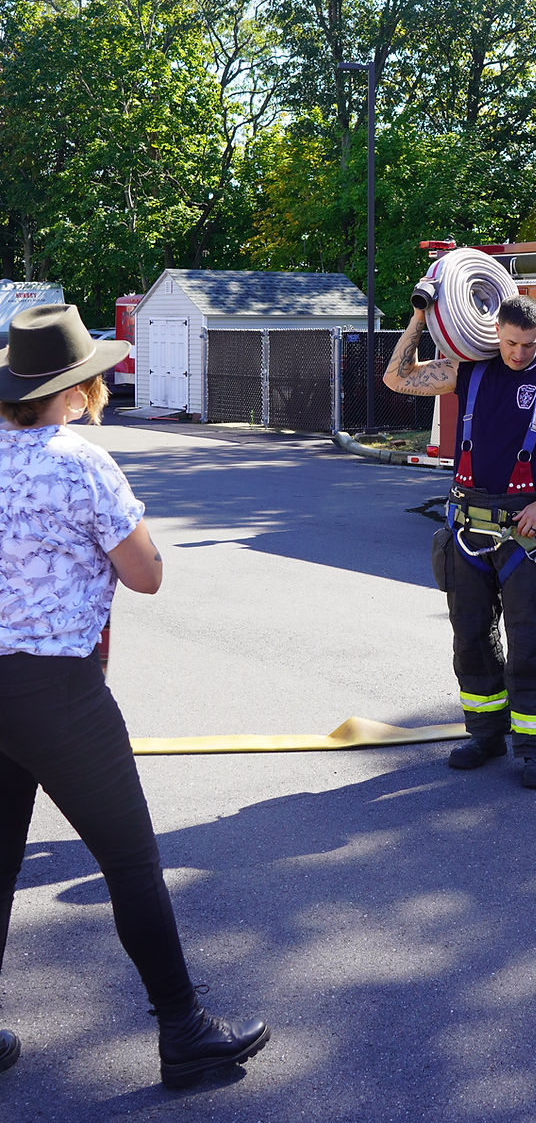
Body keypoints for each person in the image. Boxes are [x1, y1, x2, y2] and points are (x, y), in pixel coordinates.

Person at [0, 304, 269, 1088]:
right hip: (59, 690)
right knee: (129, 859)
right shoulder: (81, 462)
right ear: (77, 388)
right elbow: (146, 575)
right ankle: (184, 1030)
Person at [383, 294, 536, 789]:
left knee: (532, 644)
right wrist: (419, 312)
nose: (518, 353)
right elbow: (396, 378)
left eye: (528, 344)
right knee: (471, 640)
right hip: (467, 527)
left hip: (525, 531)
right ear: (496, 332)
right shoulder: (470, 370)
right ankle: (485, 735)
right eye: (509, 342)